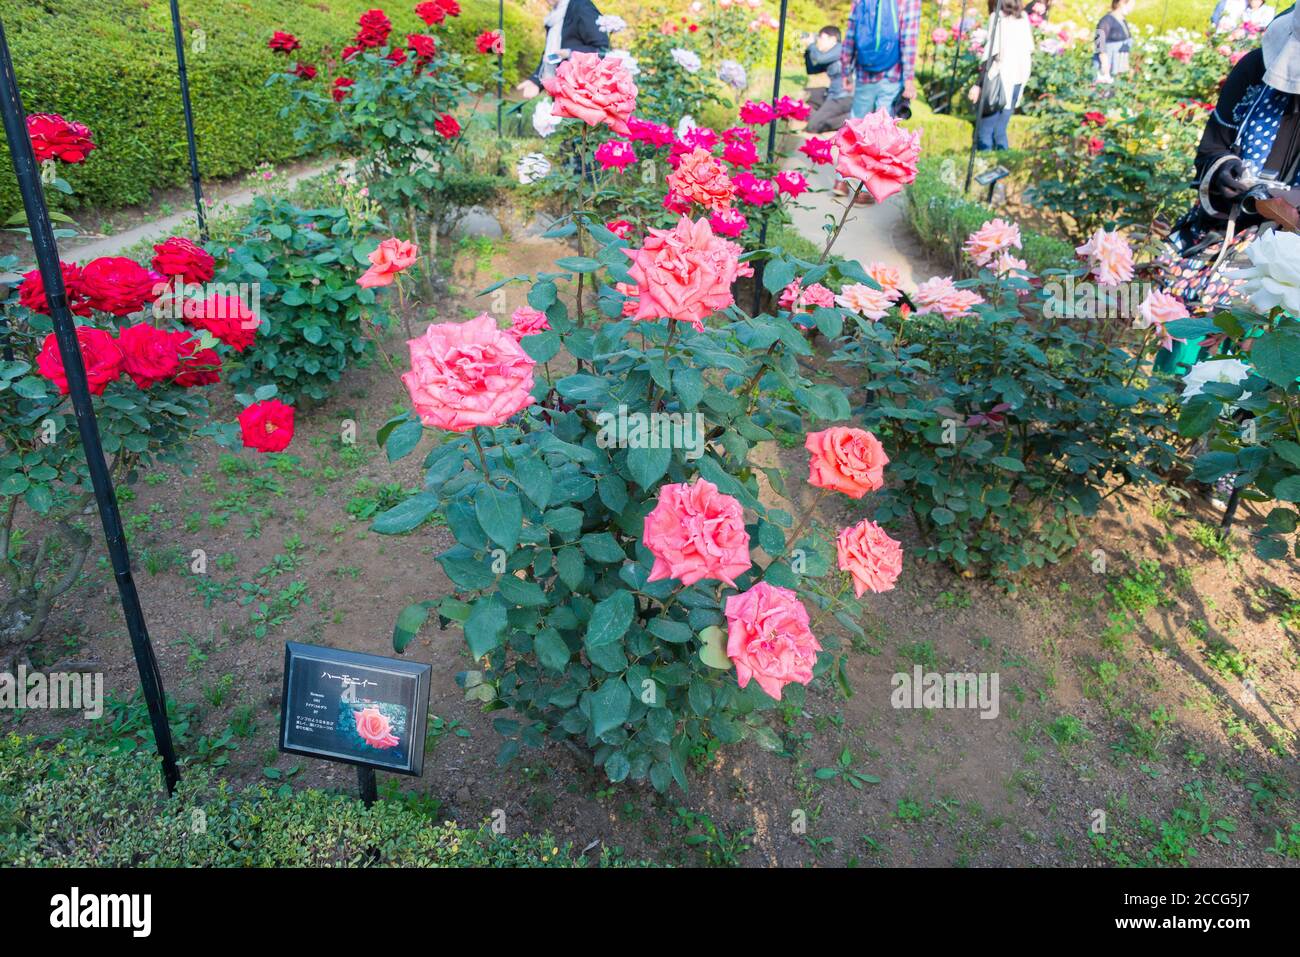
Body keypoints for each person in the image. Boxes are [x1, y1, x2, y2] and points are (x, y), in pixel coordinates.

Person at [1156, 10, 1300, 366]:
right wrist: (1227, 171)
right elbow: (1211, 148)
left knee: (1268, 386)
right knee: (1193, 371)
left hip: (1291, 264)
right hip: (1223, 239)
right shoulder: (1255, 69)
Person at [840, 0, 922, 119]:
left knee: (857, 124)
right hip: (892, 73)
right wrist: (908, 79)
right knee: (884, 126)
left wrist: (846, 71)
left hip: (864, 70)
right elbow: (909, 39)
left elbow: (851, 34)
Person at [971, 0, 1034, 151]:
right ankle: (1002, 163)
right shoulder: (1023, 17)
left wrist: (977, 84)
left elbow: (990, 53)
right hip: (1018, 79)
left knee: (985, 131)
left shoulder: (997, 17)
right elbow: (1030, 49)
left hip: (999, 80)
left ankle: (984, 166)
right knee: (1000, 131)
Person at [514, 0, 610, 100]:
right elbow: (550, 54)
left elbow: (601, 49)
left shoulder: (581, 6)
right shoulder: (555, 15)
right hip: (559, 92)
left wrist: (570, 53)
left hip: (580, 94)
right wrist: (536, 81)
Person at [803, 26, 853, 133]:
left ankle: (851, 119)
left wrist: (812, 45)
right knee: (803, 95)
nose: (818, 41)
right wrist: (807, 51)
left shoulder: (841, 49)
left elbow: (820, 59)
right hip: (832, 94)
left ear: (833, 39)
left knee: (812, 126)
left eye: (821, 37)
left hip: (843, 97)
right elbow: (811, 70)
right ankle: (821, 115)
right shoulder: (831, 56)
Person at [1094, 0, 1134, 84]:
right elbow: (1099, 41)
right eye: (1131, 4)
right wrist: (1105, 65)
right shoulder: (1107, 20)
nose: (1132, 7)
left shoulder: (1122, 21)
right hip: (1107, 65)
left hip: (1118, 65)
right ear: (1122, 2)